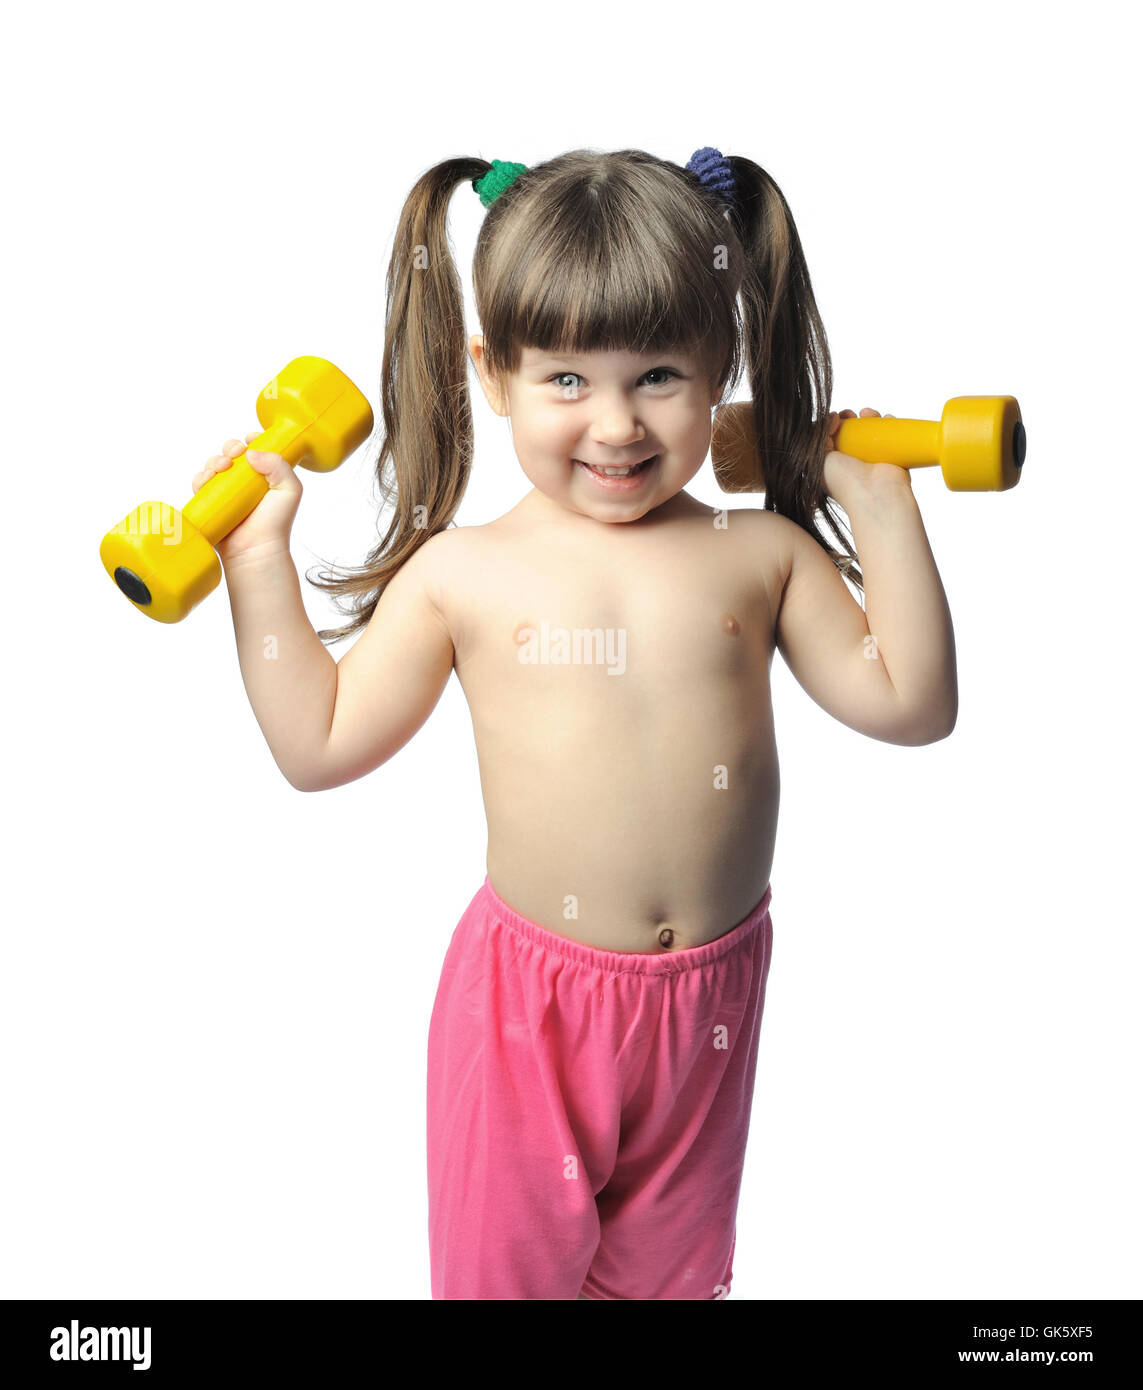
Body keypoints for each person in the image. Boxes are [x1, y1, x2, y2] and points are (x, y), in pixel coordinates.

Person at [194, 147, 958, 1299]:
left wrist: (884, 510)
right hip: (532, 1018)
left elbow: (913, 706)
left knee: (672, 1285)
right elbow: (321, 742)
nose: (616, 423)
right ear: (492, 375)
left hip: (707, 999)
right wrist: (258, 562)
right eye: (566, 381)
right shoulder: (466, 575)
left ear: (721, 372)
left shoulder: (759, 554)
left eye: (659, 374)